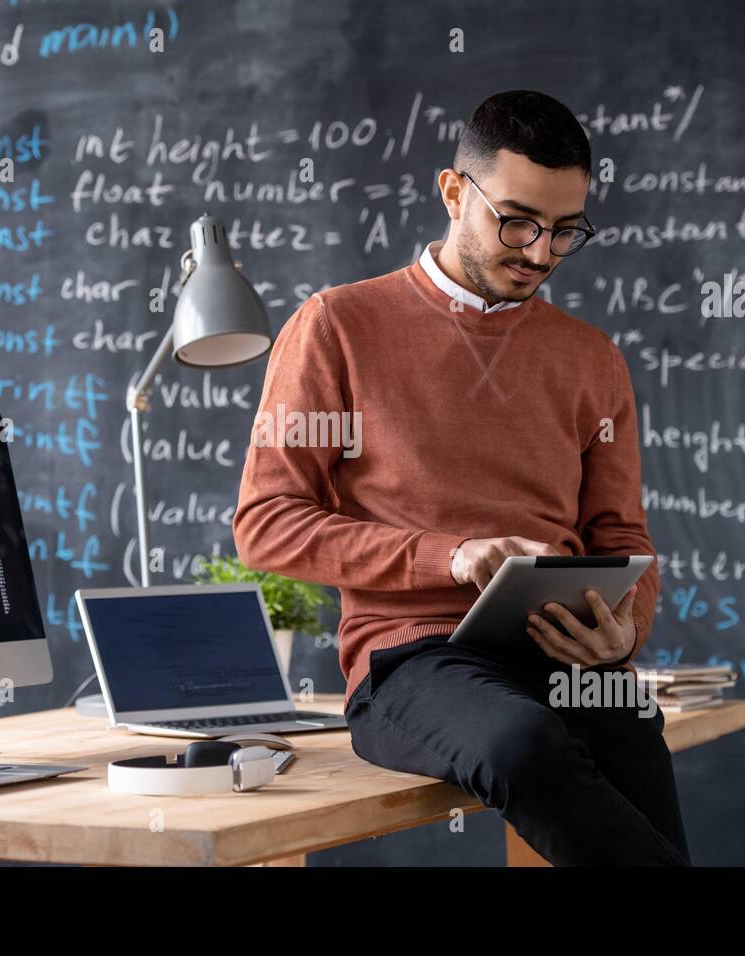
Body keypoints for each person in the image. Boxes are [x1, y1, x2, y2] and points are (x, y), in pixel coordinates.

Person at [232, 90, 689, 866]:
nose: (540, 251)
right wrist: (450, 555)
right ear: (453, 192)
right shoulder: (337, 326)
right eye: (516, 220)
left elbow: (620, 535)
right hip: (410, 661)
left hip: (566, 655)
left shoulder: (590, 357)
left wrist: (625, 629)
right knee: (522, 741)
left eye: (564, 230)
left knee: (631, 729)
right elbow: (266, 524)